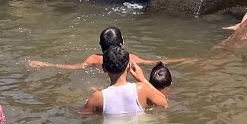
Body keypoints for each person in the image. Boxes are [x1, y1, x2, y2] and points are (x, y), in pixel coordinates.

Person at [79, 45, 168, 115]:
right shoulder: (142, 89)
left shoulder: (97, 97)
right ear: (129, 67)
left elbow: (82, 116)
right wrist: (143, 79)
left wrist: (89, 101)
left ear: (104, 68)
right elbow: (164, 103)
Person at [28, 26, 161, 70]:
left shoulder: (94, 59)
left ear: (100, 45)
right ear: (122, 44)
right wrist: (174, 60)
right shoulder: (130, 58)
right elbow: (153, 62)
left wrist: (46, 64)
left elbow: (73, 67)